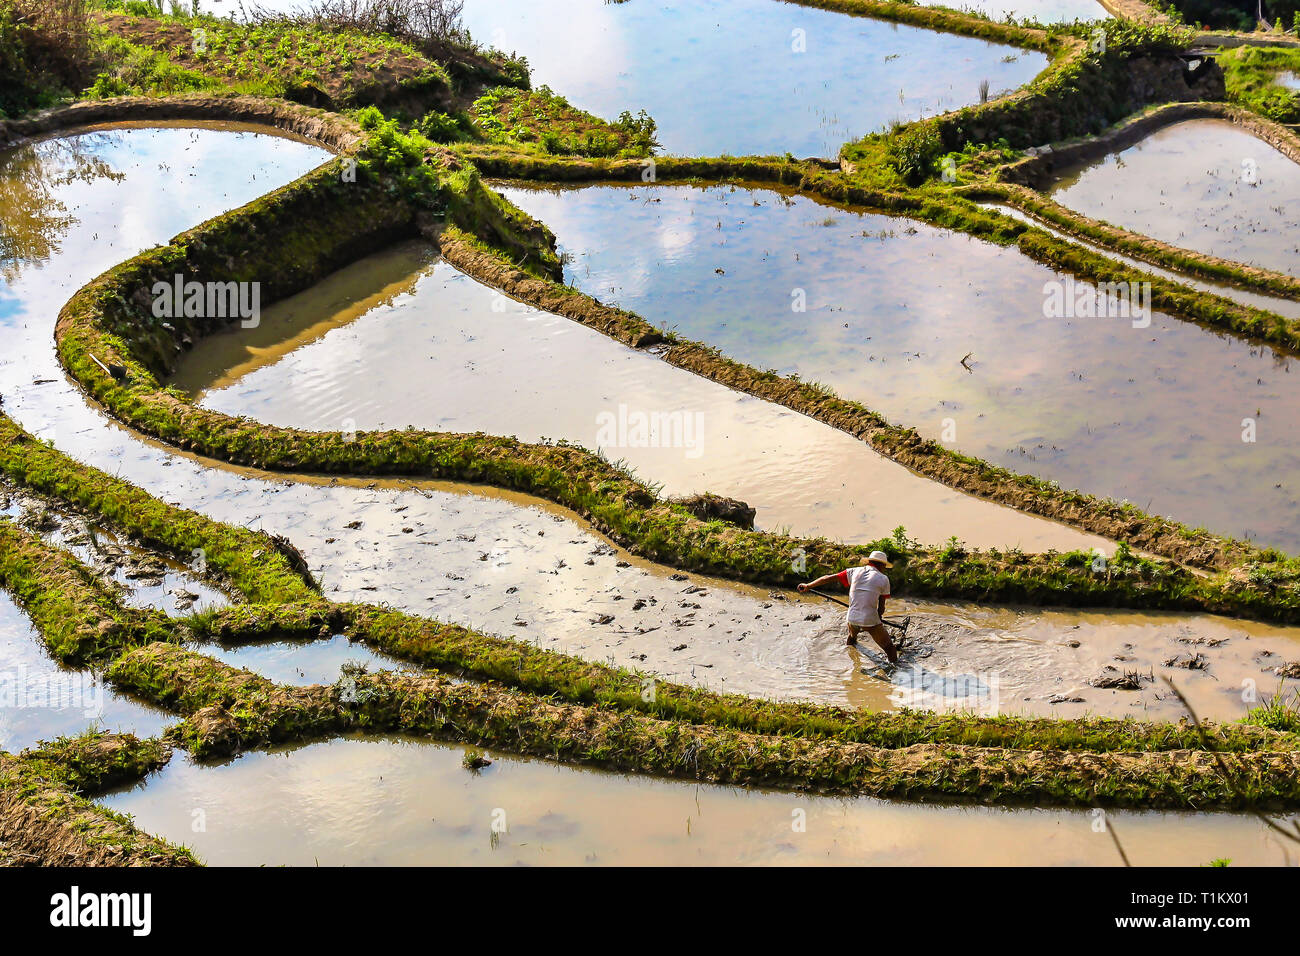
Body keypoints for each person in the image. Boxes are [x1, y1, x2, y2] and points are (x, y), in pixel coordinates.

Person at [798, 550, 897, 662]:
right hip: (869, 619)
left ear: (869, 562)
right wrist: (878, 620)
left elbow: (827, 578)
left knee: (852, 637)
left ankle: (852, 663)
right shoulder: (883, 579)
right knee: (890, 649)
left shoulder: (853, 571)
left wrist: (808, 585)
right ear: (882, 565)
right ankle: (895, 674)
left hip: (852, 617)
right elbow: (881, 608)